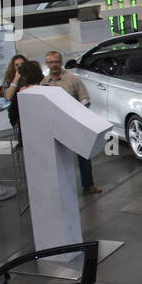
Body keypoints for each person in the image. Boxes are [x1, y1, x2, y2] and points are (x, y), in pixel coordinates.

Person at [43, 50, 102, 194]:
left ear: (61, 62)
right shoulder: (44, 83)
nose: (54, 65)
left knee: (83, 155)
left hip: (75, 123)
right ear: (47, 64)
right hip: (55, 125)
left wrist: (78, 114)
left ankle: (88, 185)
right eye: (51, 62)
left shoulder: (72, 79)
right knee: (57, 158)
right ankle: (59, 188)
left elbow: (85, 99)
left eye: (56, 61)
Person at [8, 59, 43, 140]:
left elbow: (12, 113)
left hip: (25, 135)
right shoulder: (47, 89)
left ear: (24, 77)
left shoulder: (20, 92)